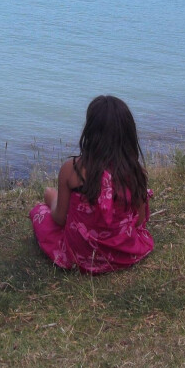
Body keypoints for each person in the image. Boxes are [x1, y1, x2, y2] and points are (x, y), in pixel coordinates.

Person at [29, 95, 154, 274]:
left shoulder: (71, 169)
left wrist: (51, 199)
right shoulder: (136, 173)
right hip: (123, 254)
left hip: (81, 255)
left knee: (41, 209)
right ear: (128, 133)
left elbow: (59, 219)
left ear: (89, 131)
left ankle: (50, 198)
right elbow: (139, 220)